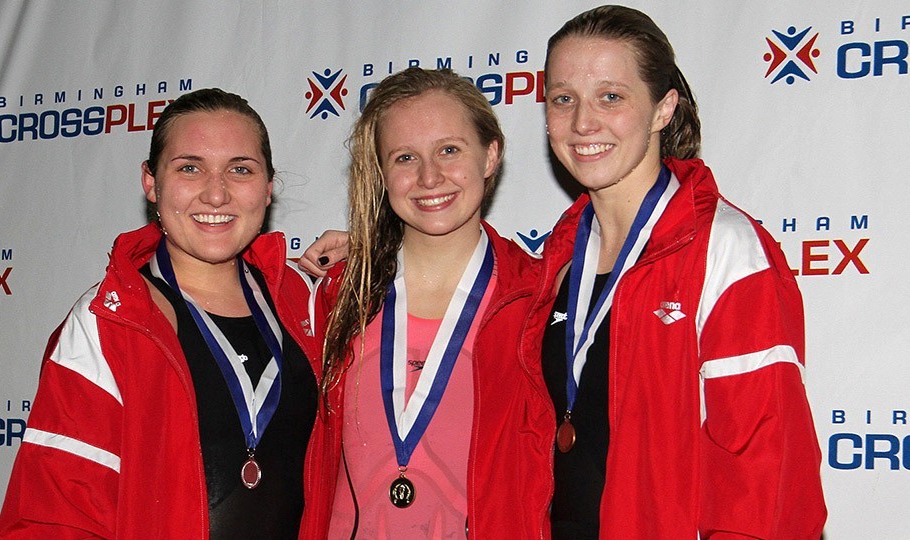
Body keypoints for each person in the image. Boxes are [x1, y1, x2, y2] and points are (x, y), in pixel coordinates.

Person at [525, 6, 827, 539]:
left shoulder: (725, 248)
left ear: (664, 109)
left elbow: (766, 473)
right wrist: (374, 252)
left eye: (611, 96)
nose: (582, 122)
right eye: (562, 98)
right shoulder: (559, 254)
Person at [0, 88, 321, 539]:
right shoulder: (108, 323)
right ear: (151, 183)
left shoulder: (305, 304)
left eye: (240, 170)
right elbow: (55, 513)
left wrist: (370, 254)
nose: (216, 193)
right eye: (190, 167)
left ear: (267, 189)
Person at [299, 67, 552, 539]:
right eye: (405, 157)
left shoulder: (538, 299)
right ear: (380, 172)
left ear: (490, 155)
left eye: (449, 150)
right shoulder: (333, 295)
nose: (429, 176)